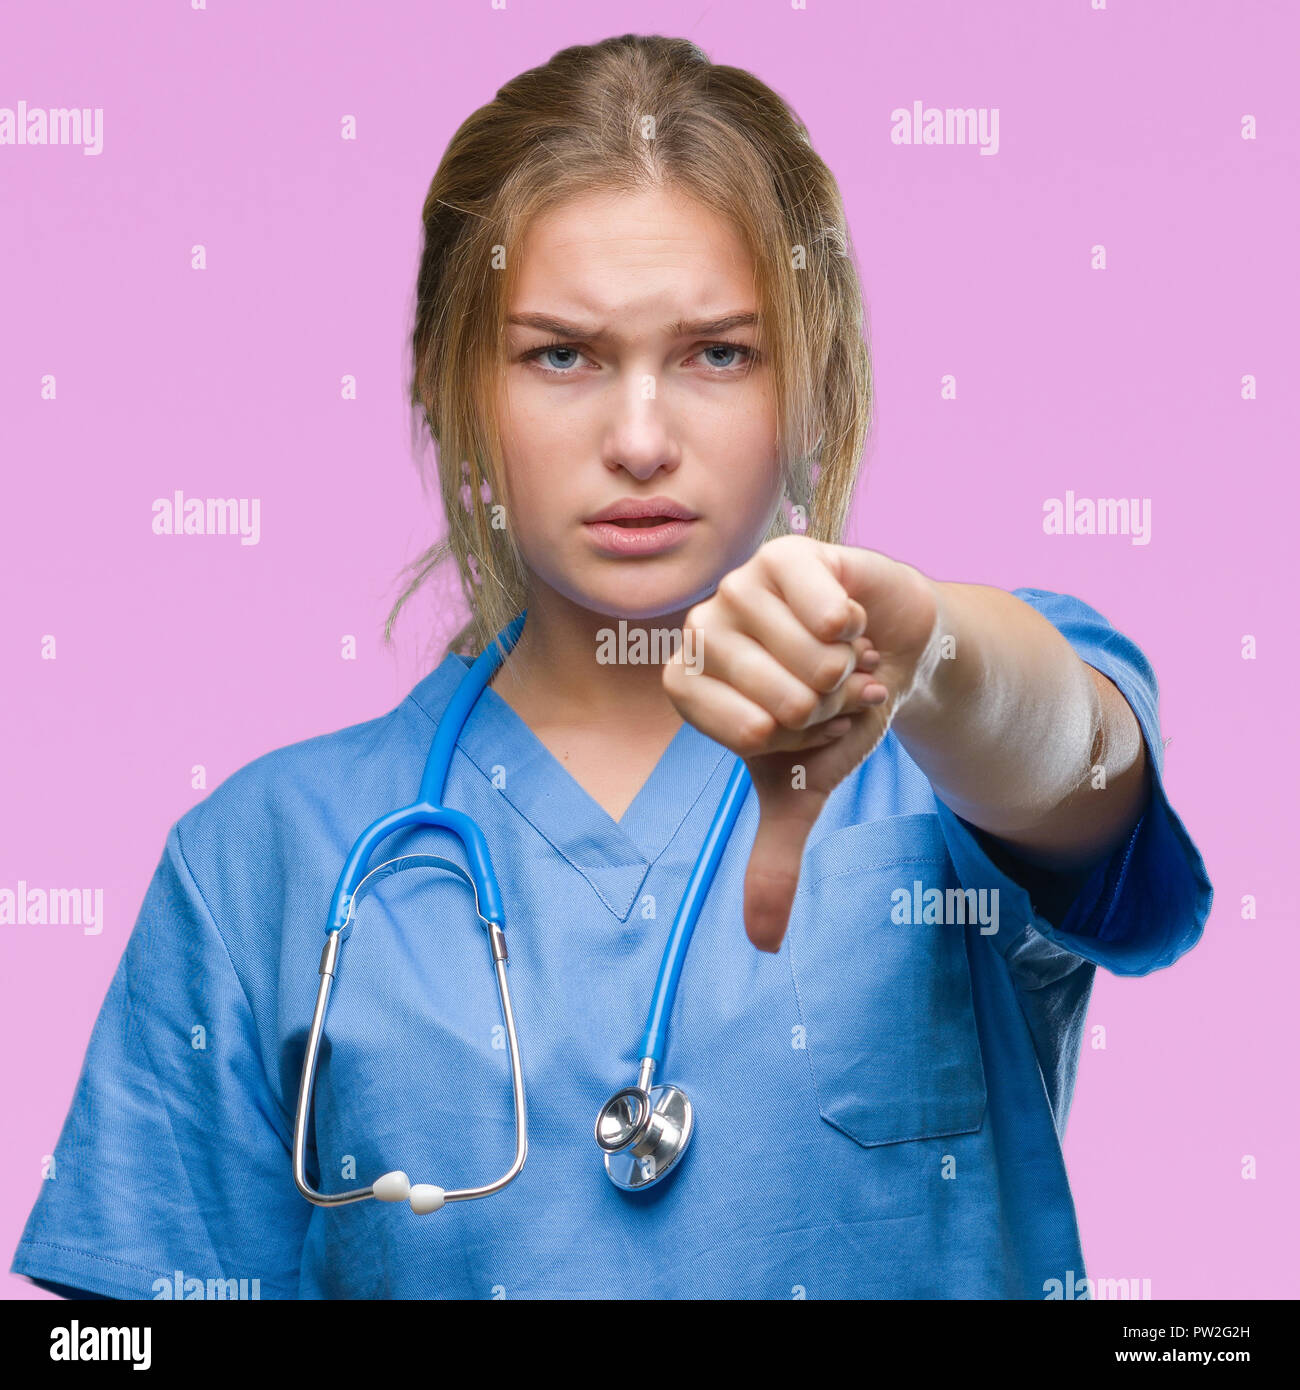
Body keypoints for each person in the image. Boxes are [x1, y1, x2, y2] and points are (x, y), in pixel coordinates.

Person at [11, 33, 1211, 1300]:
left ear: (816, 388)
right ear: (452, 387)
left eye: (717, 353)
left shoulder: (941, 760)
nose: (638, 439)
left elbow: (1079, 769)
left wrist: (926, 655)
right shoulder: (259, 861)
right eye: (561, 354)